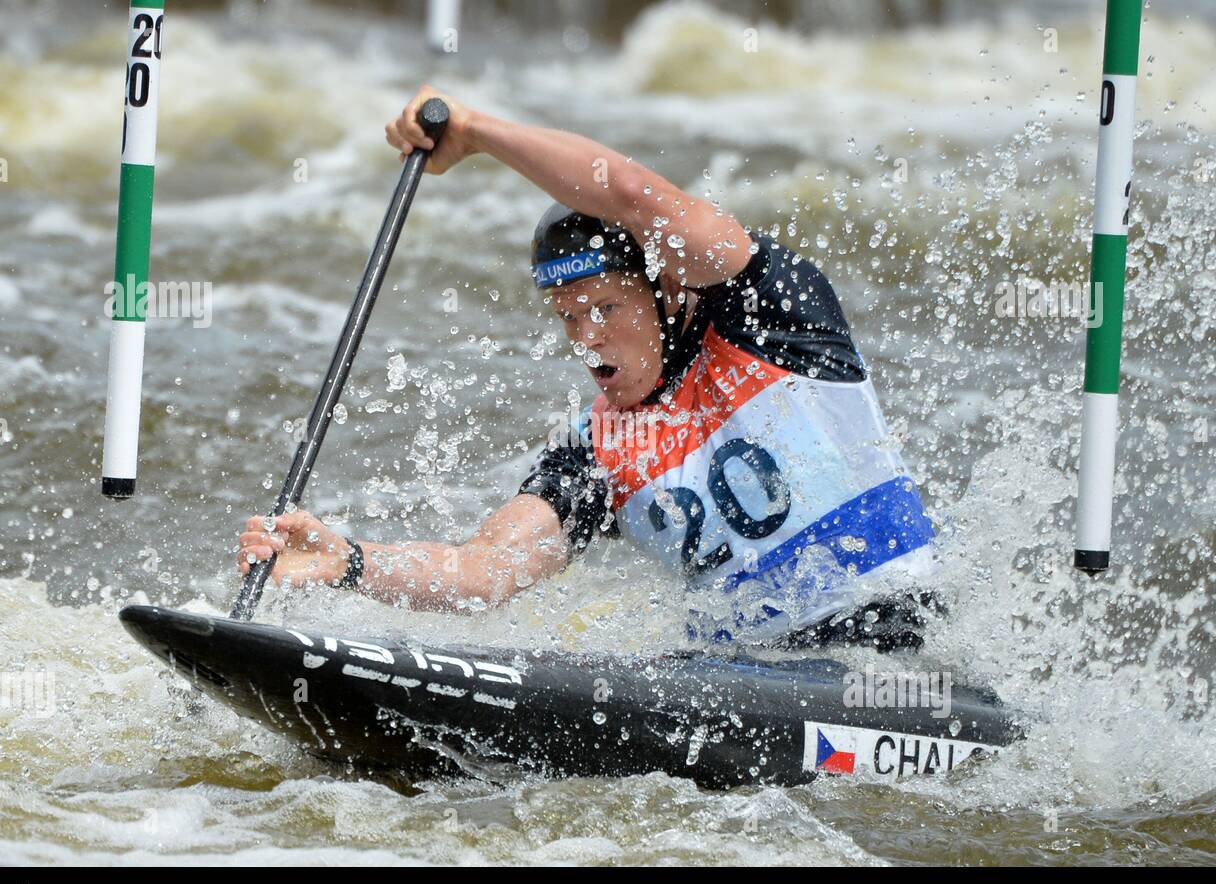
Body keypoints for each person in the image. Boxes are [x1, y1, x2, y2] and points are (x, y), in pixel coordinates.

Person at [237, 86, 938, 649]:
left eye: (605, 308)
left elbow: (629, 193)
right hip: (750, 686)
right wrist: (350, 560)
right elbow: (485, 571)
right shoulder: (595, 451)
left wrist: (477, 133)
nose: (586, 338)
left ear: (668, 290)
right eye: (568, 317)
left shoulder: (772, 314)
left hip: (896, 649)